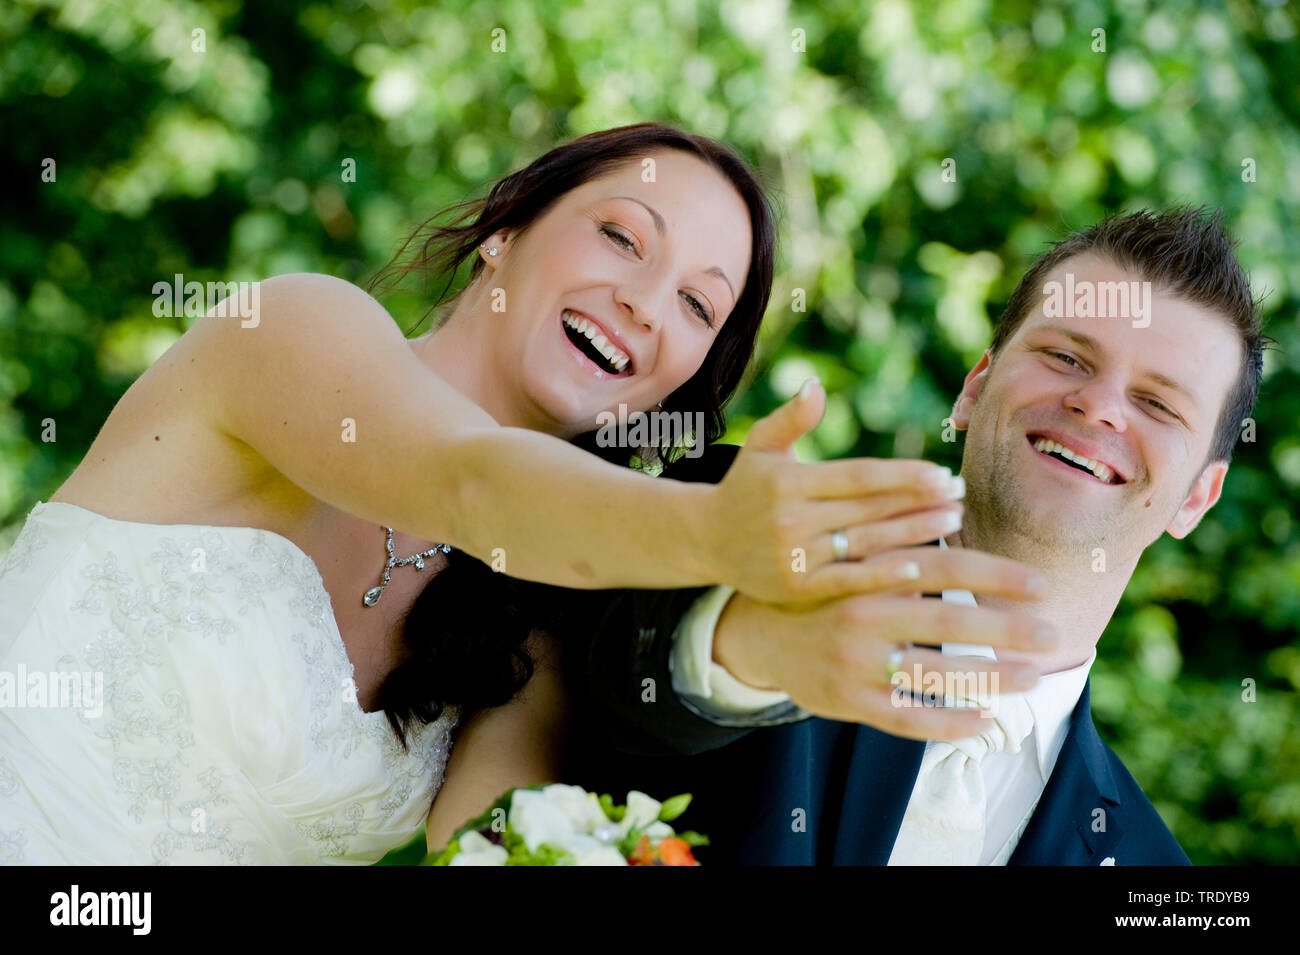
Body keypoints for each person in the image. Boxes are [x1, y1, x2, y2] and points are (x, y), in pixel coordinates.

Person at [0, 122, 1024, 865]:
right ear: (507, 227)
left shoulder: (536, 614)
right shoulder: (298, 330)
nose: (641, 298)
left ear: (683, 379)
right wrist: (716, 536)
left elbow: (494, 834)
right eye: (623, 238)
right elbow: (472, 478)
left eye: (697, 305)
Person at [547, 206, 1263, 865]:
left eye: (1157, 403)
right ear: (975, 387)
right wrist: (739, 643)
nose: (1098, 405)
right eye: (1067, 357)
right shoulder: (744, 540)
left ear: (1199, 495)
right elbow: (614, 679)